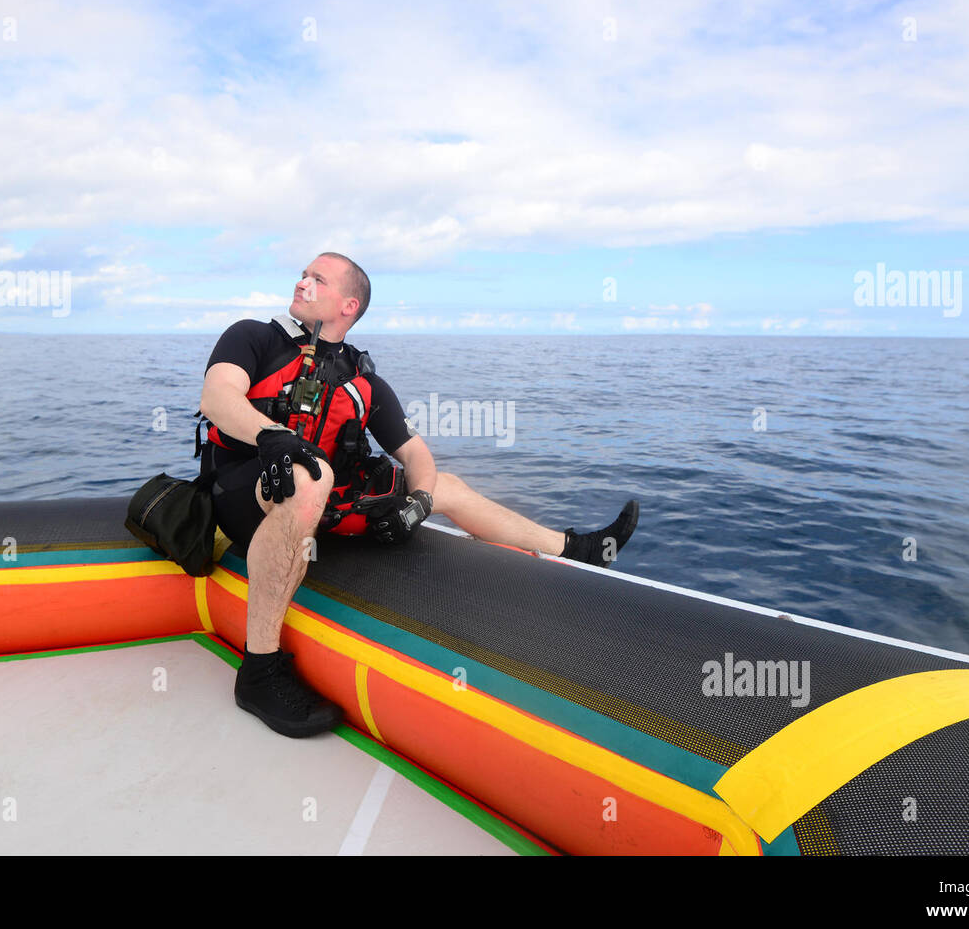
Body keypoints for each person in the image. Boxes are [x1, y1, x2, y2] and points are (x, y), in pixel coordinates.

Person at [197, 252, 639, 738]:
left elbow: (416, 454)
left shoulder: (363, 378)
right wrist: (271, 437)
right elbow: (218, 397)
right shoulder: (252, 337)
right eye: (303, 275)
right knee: (309, 477)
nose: (301, 283)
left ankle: (575, 549)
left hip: (317, 500)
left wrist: (418, 505)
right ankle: (259, 672)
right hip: (248, 492)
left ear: (349, 304)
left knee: (442, 484)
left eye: (316, 279)